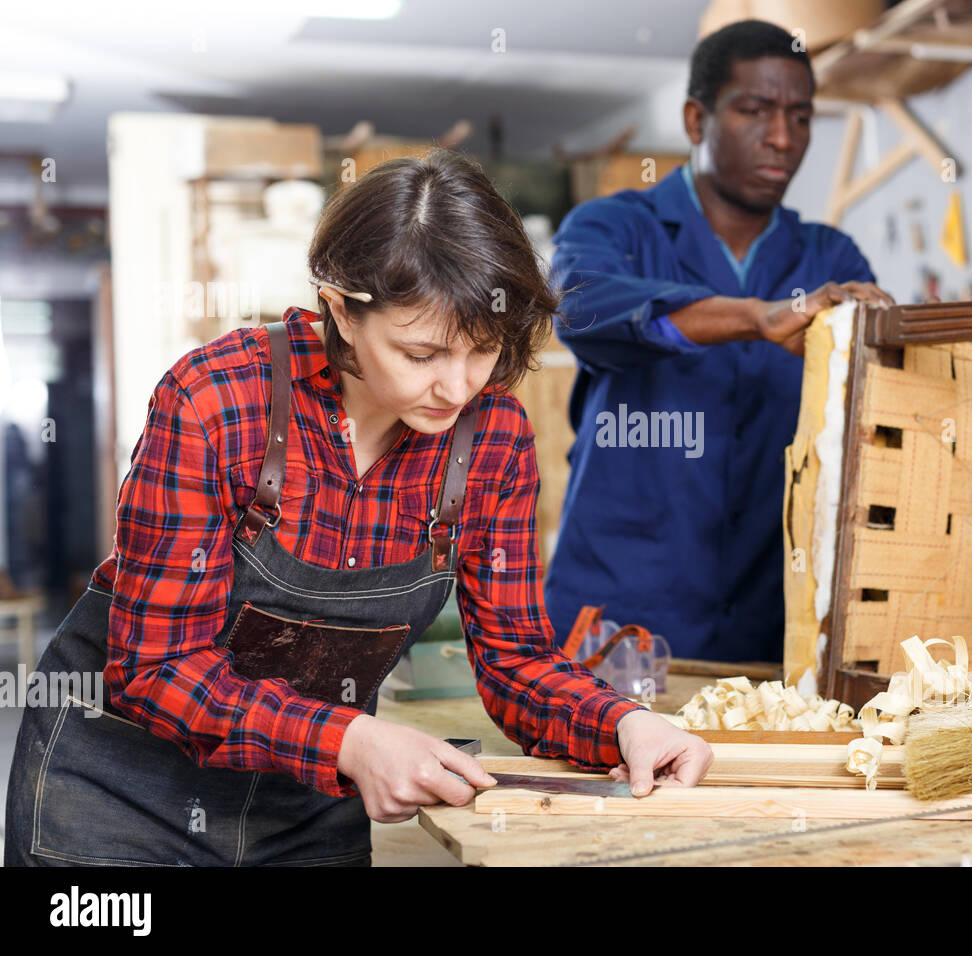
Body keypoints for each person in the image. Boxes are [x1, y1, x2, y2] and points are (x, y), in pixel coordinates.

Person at [5, 151, 711, 867]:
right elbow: (156, 667)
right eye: (422, 352)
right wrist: (350, 740)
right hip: (120, 804)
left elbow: (515, 659)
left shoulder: (492, 436)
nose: (458, 385)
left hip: (306, 813)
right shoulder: (217, 400)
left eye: (484, 350)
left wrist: (622, 724)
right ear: (341, 307)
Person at [544, 20, 895, 663]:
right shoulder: (615, 226)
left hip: (770, 622)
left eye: (801, 116)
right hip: (617, 617)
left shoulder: (830, 256)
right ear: (696, 119)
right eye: (755, 111)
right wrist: (757, 317)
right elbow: (581, 309)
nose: (783, 138)